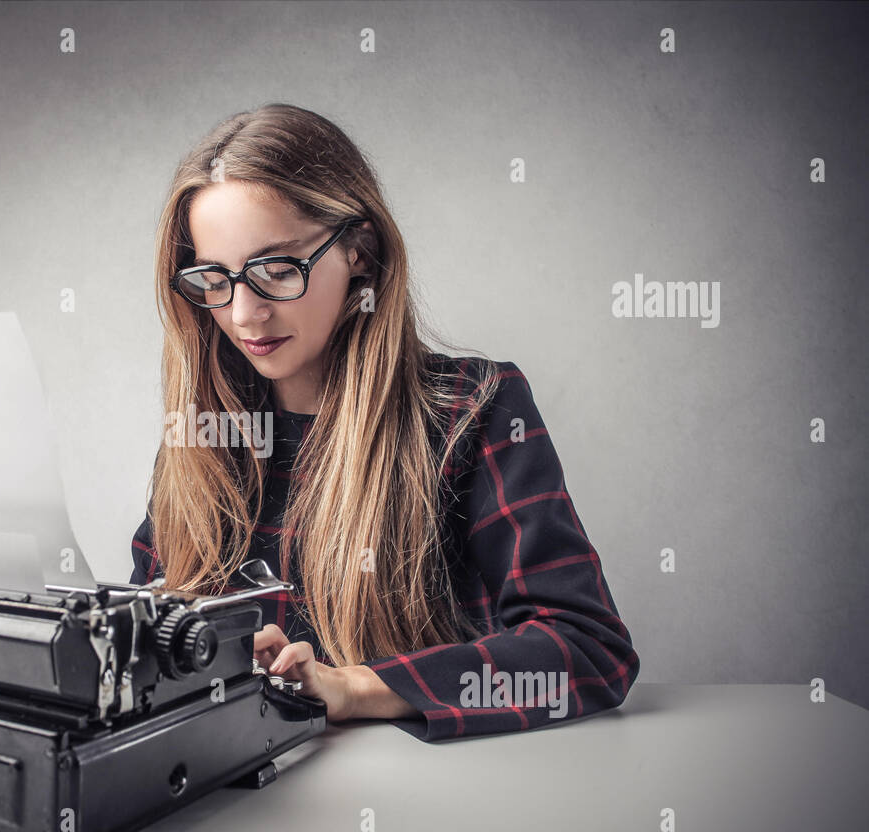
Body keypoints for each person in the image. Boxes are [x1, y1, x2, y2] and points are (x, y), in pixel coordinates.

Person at [129, 103, 639, 742]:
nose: (244, 313)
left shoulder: (474, 409)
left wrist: (354, 688)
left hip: (429, 805)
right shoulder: (200, 438)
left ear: (360, 252)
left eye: (278, 270)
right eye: (215, 279)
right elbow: (145, 641)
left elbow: (587, 648)